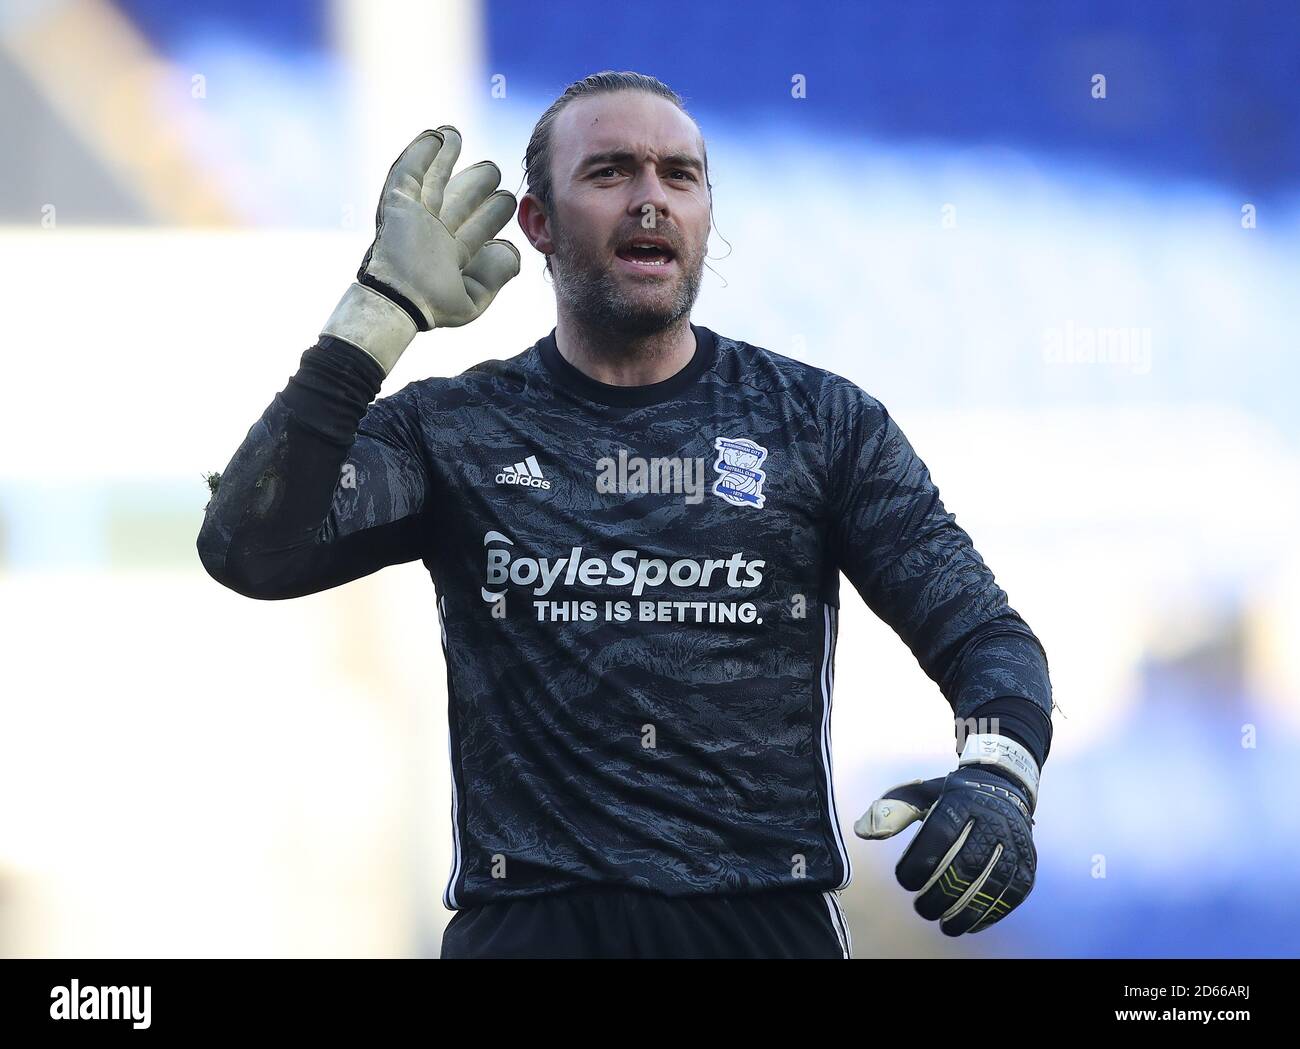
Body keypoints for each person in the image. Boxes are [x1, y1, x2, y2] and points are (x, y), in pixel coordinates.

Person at [197, 70, 1052, 959]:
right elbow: (248, 546)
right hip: (531, 926)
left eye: (679, 176)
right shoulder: (450, 431)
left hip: (758, 923)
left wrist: (998, 772)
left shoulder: (821, 425)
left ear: (707, 214)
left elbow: (984, 633)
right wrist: (378, 314)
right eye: (610, 172)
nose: (651, 199)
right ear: (538, 225)